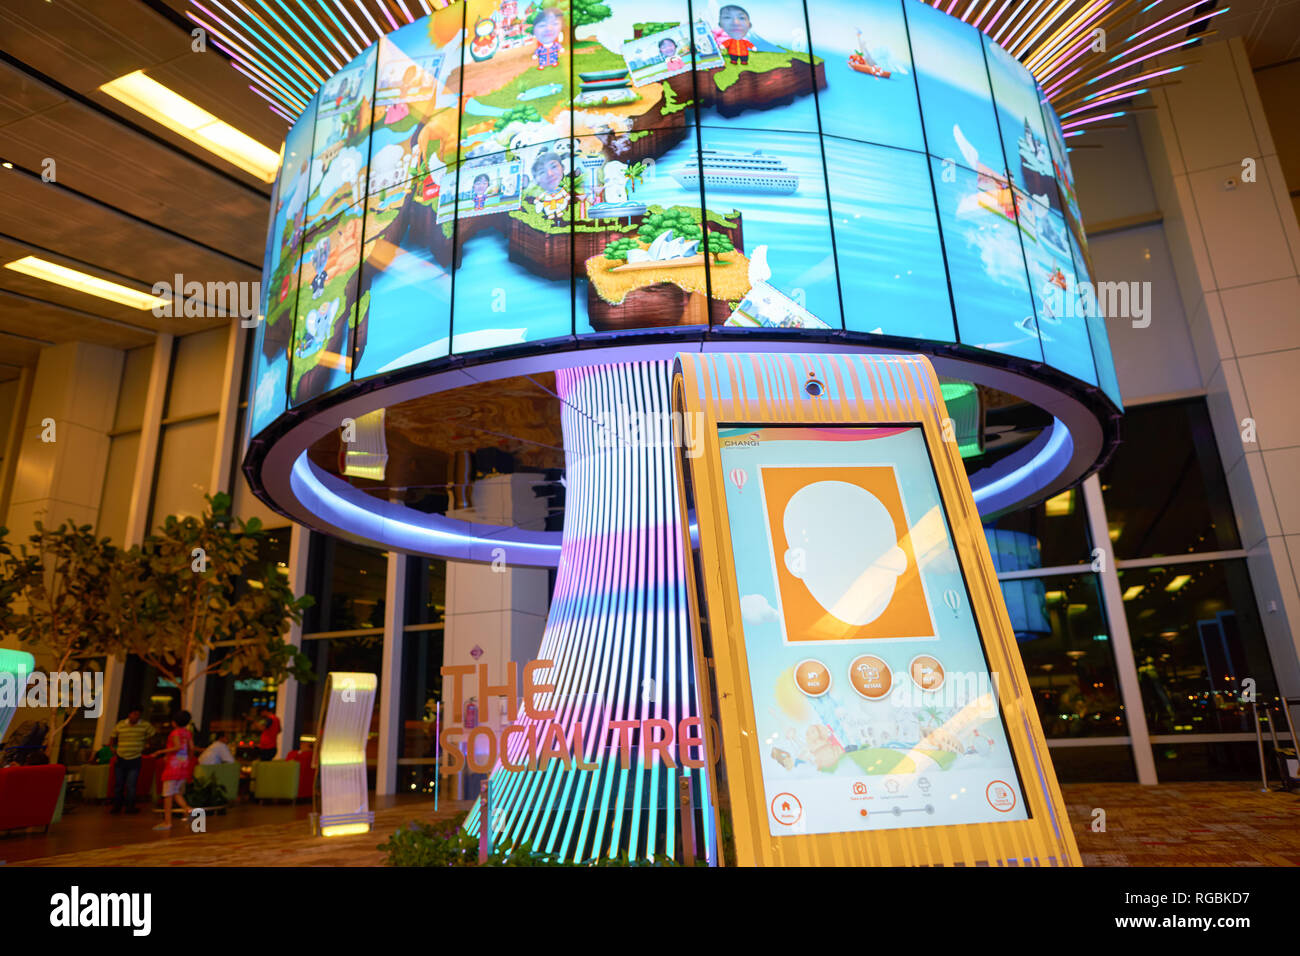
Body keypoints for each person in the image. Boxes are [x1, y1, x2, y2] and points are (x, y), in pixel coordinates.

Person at [152, 710, 196, 831]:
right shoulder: (188, 733)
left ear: (174, 722)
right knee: (176, 792)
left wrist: (160, 752)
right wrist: (189, 759)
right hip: (183, 766)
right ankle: (189, 810)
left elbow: (177, 747)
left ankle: (167, 822)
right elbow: (191, 748)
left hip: (173, 767)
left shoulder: (175, 733)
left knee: (167, 795)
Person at [108, 707, 154, 815]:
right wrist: (112, 748)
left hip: (135, 757)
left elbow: (152, 734)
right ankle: (117, 806)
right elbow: (113, 736)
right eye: (134, 714)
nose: (136, 717)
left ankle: (130, 806)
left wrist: (147, 744)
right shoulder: (121, 724)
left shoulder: (145, 725)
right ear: (129, 714)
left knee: (131, 784)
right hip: (121, 757)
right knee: (119, 784)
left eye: (138, 715)